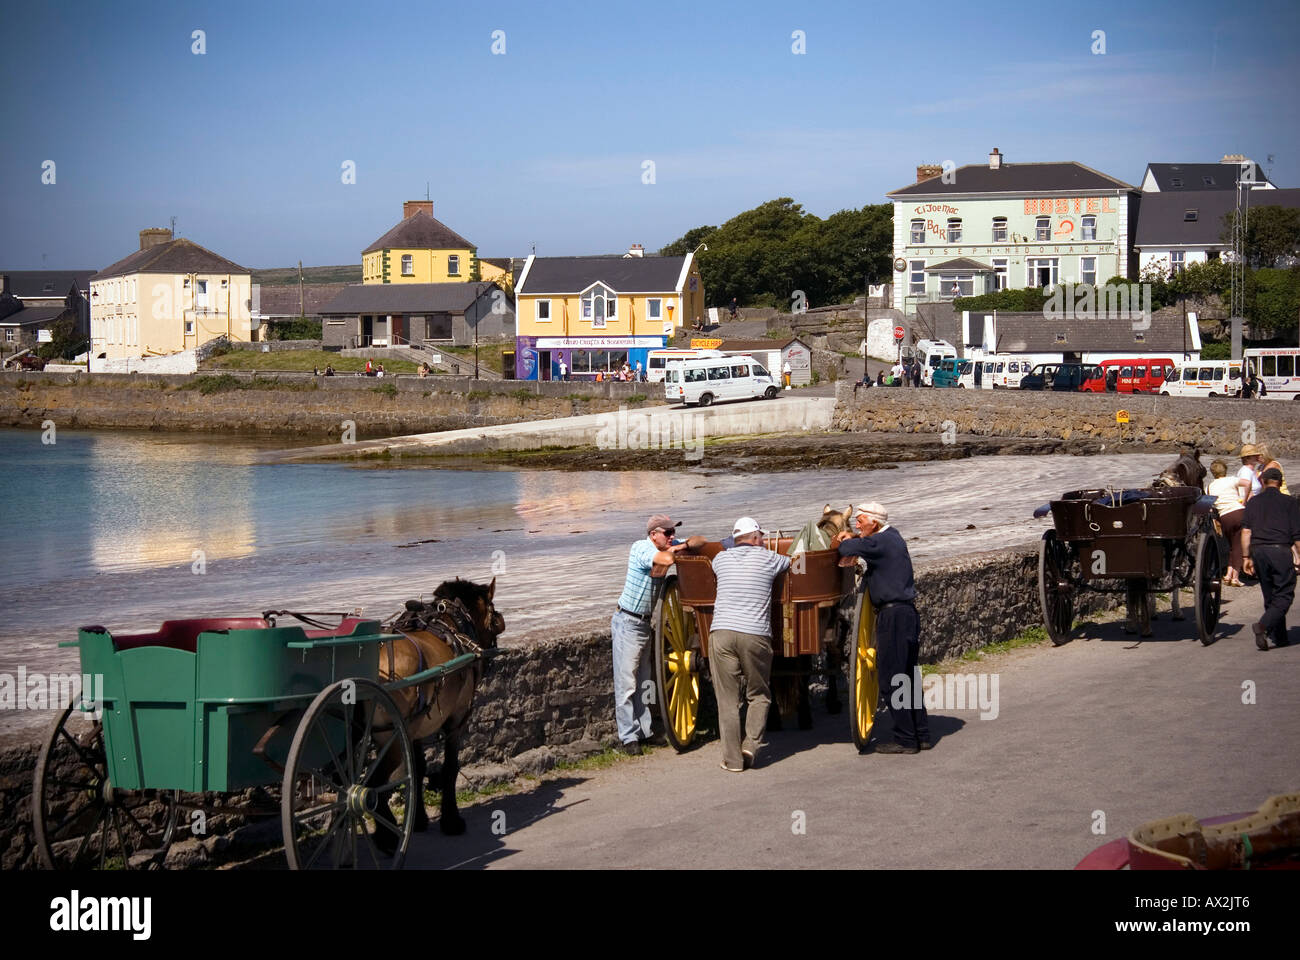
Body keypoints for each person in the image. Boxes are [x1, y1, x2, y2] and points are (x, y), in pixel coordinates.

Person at [833, 502, 932, 753]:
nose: (856, 524)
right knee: (908, 676)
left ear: (873, 524)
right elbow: (863, 545)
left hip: (892, 616)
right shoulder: (894, 537)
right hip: (907, 613)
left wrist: (849, 538)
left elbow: (846, 547)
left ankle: (905, 739)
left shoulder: (880, 542)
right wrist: (858, 536)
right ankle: (921, 733)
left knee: (890, 678)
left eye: (860, 521)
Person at [709, 517, 791, 772]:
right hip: (755, 634)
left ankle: (732, 760)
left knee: (728, 701)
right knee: (759, 694)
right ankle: (751, 745)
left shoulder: (720, 559)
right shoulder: (769, 558)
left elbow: (722, 548)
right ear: (755, 538)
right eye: (762, 538)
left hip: (721, 632)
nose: (764, 541)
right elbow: (794, 561)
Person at [611, 515, 686, 753]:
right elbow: (665, 558)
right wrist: (679, 549)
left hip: (645, 623)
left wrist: (683, 544)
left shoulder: (667, 544)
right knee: (626, 683)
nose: (672, 536)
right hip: (627, 622)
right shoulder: (641, 548)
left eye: (673, 532)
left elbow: (698, 541)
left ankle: (646, 731)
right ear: (654, 534)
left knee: (646, 682)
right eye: (668, 533)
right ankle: (628, 737)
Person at [1241, 467, 1300, 650]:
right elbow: (1297, 535)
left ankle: (1280, 636)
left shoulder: (1253, 503)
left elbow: (1246, 532)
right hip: (1280, 550)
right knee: (1284, 594)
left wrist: (1246, 557)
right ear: (1281, 483)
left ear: (1262, 482)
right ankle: (1262, 626)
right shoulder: (1290, 502)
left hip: (1258, 551)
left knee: (1269, 595)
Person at [1207, 459, 1246, 586]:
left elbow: (1210, 506)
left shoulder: (1209, 487)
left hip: (1224, 516)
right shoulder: (1232, 480)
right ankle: (1236, 577)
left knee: (1232, 546)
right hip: (1238, 512)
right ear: (1225, 470)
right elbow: (1248, 482)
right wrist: (1244, 500)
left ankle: (1228, 574)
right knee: (1239, 546)